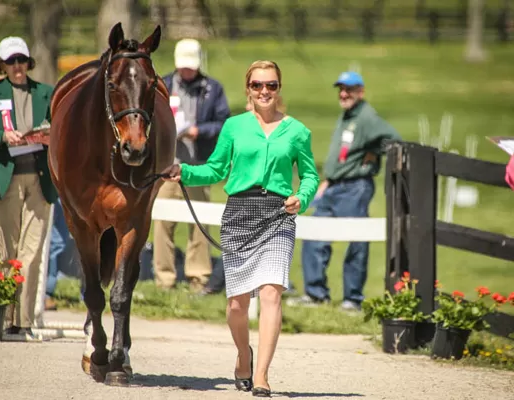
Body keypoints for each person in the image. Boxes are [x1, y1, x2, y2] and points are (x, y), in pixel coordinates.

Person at [161, 60, 319, 397]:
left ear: (279, 88)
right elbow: (216, 169)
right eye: (258, 85)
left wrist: (301, 198)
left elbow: (309, 176)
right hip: (239, 214)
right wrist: (183, 172)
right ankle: (243, 355)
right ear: (248, 89)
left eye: (271, 85)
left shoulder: (297, 131)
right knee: (236, 305)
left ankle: (261, 375)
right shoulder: (233, 127)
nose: (264, 91)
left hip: (278, 215)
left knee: (271, 293)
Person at [0, 36, 57, 338]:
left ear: (29, 62)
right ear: (2, 64)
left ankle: (25, 321)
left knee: (32, 253)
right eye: (11, 61)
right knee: (8, 252)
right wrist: (3, 136)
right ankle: (4, 318)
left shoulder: (45, 92)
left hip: (40, 179)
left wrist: (47, 135)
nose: (17, 66)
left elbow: (61, 129)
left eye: (21, 60)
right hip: (5, 177)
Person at [290, 71, 402, 312]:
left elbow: (394, 140)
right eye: (341, 89)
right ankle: (315, 293)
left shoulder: (367, 117)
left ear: (360, 91)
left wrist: (374, 154)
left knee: (356, 241)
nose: (343, 93)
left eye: (349, 89)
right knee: (315, 235)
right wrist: (327, 180)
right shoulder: (348, 115)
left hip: (355, 187)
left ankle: (353, 299)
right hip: (333, 186)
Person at [153, 38, 231, 292]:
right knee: (163, 223)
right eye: (183, 67)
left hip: (198, 166)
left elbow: (223, 123)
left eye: (191, 66)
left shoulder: (213, 89)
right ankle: (164, 279)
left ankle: (198, 278)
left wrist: (199, 131)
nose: (187, 71)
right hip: (167, 167)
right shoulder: (163, 85)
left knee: (199, 223)